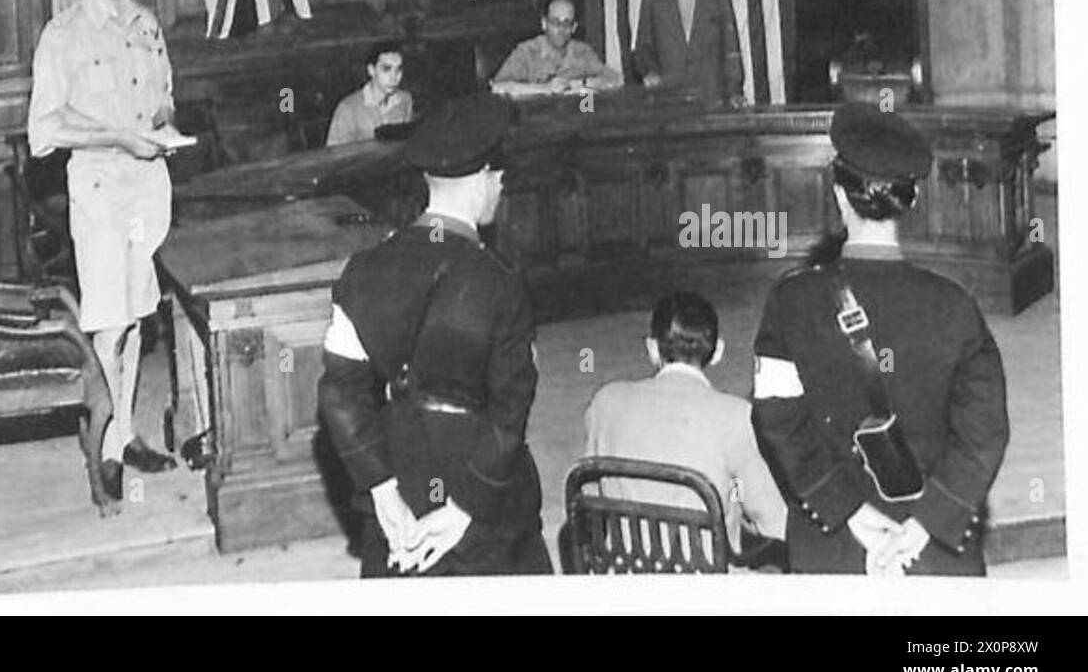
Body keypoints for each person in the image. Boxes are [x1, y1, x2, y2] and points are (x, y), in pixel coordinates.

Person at [752, 102, 1010, 575]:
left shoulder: (791, 301)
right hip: (935, 554)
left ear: (839, 196)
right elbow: (986, 432)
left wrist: (847, 509)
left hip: (832, 549)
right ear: (909, 201)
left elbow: (775, 421)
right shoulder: (955, 307)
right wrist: (925, 524)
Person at [318, 93, 552, 576]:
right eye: (499, 175)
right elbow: (511, 410)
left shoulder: (363, 269)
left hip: (398, 469)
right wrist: (465, 507)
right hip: (483, 488)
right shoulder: (501, 283)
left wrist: (382, 491)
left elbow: (341, 391)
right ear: (491, 176)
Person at [27, 0, 179, 504]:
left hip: (148, 188)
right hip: (98, 193)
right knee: (109, 324)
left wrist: (164, 126)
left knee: (137, 314)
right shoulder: (62, 35)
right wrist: (118, 137)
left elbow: (163, 96)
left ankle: (126, 429)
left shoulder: (145, 23)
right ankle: (106, 448)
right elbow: (43, 129)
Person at [584, 291, 787, 560]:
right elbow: (773, 520)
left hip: (623, 576)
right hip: (702, 587)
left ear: (652, 348)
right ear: (718, 352)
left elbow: (589, 497)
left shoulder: (605, 402)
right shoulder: (735, 415)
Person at [491, 0, 622, 97]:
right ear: (544, 23)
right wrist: (546, 89)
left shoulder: (582, 52)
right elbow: (498, 87)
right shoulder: (528, 51)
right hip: (537, 119)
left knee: (591, 104)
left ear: (574, 27)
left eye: (567, 23)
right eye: (555, 22)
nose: (561, 29)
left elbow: (614, 80)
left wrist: (575, 85)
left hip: (577, 116)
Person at [325, 42, 414, 147]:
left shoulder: (404, 100)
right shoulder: (348, 108)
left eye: (398, 70)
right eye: (386, 69)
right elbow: (335, 155)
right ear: (371, 70)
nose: (394, 77)